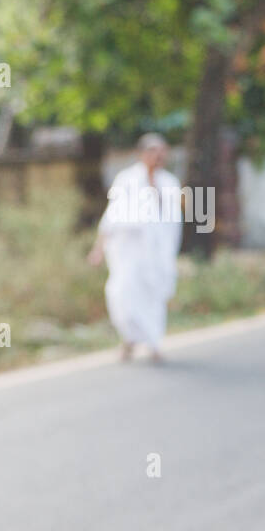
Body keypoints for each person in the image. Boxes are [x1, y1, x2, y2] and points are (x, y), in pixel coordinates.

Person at [87, 133, 182, 362]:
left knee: (154, 297)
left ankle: (154, 344)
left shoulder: (169, 183)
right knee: (122, 295)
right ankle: (129, 338)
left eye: (162, 151)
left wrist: (170, 253)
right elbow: (111, 216)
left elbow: (172, 223)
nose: (158, 156)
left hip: (157, 254)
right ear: (141, 154)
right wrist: (98, 248)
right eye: (153, 151)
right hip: (129, 252)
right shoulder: (127, 180)